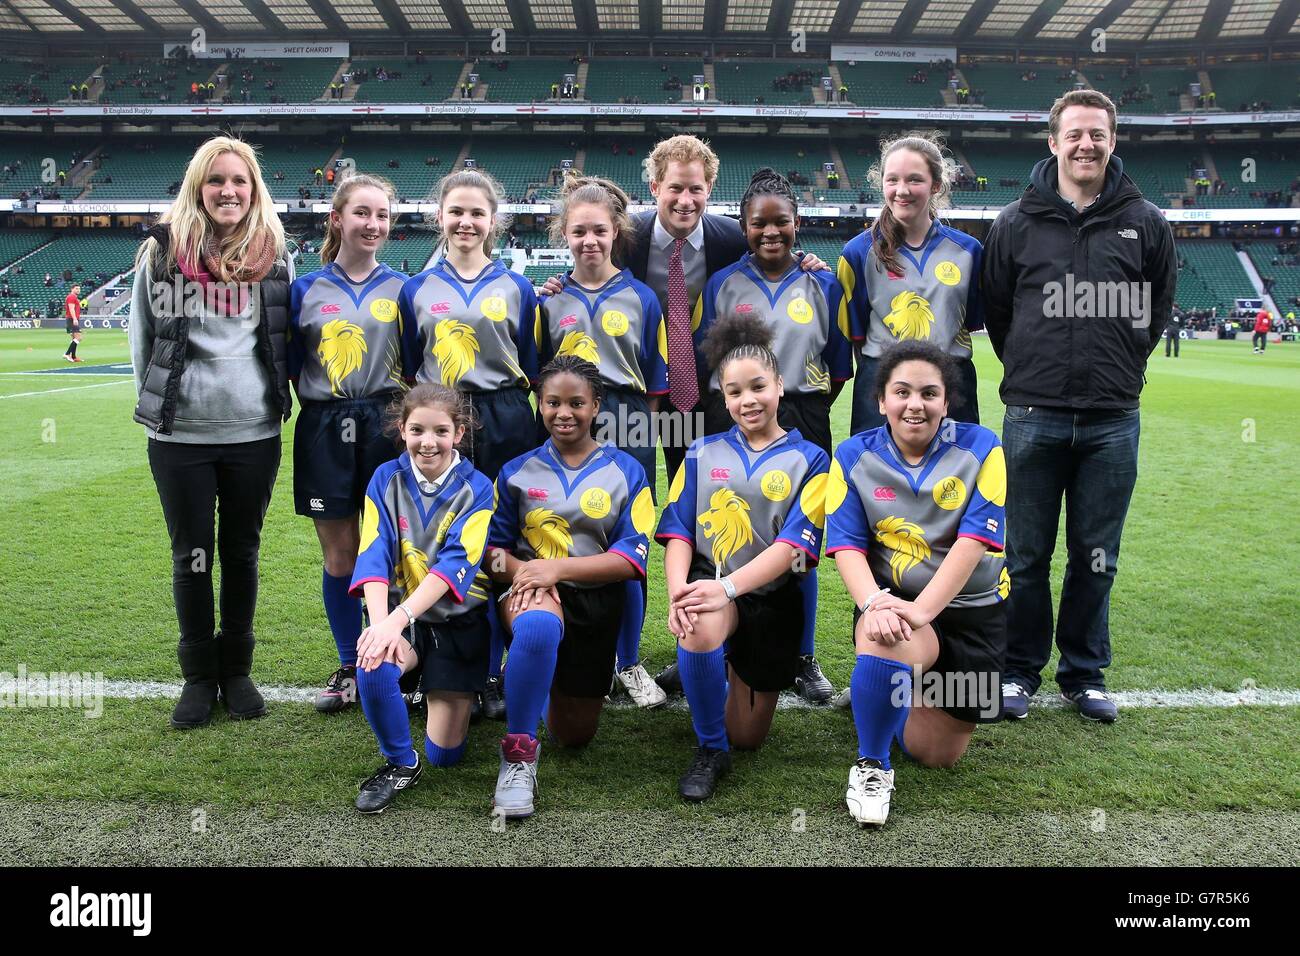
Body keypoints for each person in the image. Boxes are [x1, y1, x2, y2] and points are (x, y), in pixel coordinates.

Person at [982, 90, 1175, 723]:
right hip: (1033, 415)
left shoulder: (1145, 222)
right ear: (1054, 142)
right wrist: (1035, 372)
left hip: (1112, 419)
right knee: (1026, 554)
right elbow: (1000, 315)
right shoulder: (1014, 222)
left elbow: (1154, 312)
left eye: (1098, 134)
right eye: (1075, 134)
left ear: (1113, 141)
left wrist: (1120, 370)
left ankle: (1084, 674)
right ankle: (1018, 671)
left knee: (1098, 555)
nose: (1086, 144)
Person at [129, 135, 295, 730]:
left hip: (253, 430)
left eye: (240, 181)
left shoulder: (275, 253)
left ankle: (238, 669)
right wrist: (159, 409)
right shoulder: (165, 253)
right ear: (199, 187)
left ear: (254, 189)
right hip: (181, 436)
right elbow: (142, 339)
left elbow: (279, 339)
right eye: (217, 180)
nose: (229, 191)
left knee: (242, 552)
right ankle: (199, 676)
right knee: (192, 556)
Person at [826, 341, 1009, 825]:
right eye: (901, 392)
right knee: (885, 633)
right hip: (898, 603)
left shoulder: (983, 447)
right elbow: (845, 543)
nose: (915, 404)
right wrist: (874, 604)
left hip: (973, 611)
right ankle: (872, 764)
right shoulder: (851, 456)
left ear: (947, 402)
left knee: (935, 755)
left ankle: (893, 690)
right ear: (880, 399)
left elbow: (974, 542)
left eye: (929, 393)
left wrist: (923, 610)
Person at [655, 316, 829, 801]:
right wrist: (678, 594)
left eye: (758, 387)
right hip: (714, 587)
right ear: (723, 396)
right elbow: (678, 534)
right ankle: (710, 748)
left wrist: (729, 587)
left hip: (771, 597)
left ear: (779, 385)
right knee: (697, 620)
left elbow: (794, 548)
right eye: (734, 392)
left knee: (749, 738)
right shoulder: (700, 451)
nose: (747, 400)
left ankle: (730, 668)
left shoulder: (812, 459)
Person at [694, 167, 850, 705]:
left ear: (796, 223)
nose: (770, 232)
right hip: (731, 416)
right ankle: (720, 643)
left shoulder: (823, 281)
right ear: (744, 226)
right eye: (758, 223)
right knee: (730, 530)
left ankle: (801, 656)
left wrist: (800, 406)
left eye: (780, 222)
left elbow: (840, 362)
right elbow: (703, 356)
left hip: (803, 415)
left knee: (800, 543)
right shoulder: (722, 284)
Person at [484, 356, 655, 818]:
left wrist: (556, 570)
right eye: (552, 402)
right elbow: (491, 554)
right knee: (538, 627)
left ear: (596, 405)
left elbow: (631, 559)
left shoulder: (627, 471)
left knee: (574, 736)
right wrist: (527, 570)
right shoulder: (516, 471)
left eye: (576, 403)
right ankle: (518, 756)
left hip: (594, 599)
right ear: (539, 405)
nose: (564, 413)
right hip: (531, 590)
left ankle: (537, 677)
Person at [399, 169, 542, 720]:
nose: (466, 222)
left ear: (493, 222)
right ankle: (449, 664)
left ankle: (500, 669)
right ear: (440, 217)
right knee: (442, 538)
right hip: (444, 419)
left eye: (477, 213)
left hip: (506, 415)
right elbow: (413, 364)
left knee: (505, 540)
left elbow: (529, 359)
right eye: (456, 211)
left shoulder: (518, 287)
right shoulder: (417, 289)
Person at [536, 174, 668, 709]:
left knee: (627, 546)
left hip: (627, 419)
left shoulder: (642, 297)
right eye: (578, 232)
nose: (589, 241)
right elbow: (535, 373)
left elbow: (655, 380)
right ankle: (572, 648)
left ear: (616, 232)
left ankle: (629, 661)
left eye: (599, 231)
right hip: (565, 421)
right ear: (562, 235)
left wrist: (641, 436)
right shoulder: (546, 299)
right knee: (566, 536)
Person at [288, 173, 408, 715]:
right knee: (340, 552)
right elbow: (290, 365)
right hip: (325, 424)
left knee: (390, 546)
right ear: (337, 219)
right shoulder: (304, 289)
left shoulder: (404, 288)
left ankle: (395, 651)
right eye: (362, 213)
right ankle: (347, 662)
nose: (373, 224)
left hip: (385, 422)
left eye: (382, 215)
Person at [348, 384, 496, 814]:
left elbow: (455, 566)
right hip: (401, 618)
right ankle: (399, 762)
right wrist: (381, 627)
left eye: (440, 431)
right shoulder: (384, 478)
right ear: (402, 429)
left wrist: (396, 619)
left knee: (446, 755)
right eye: (417, 430)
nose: (427, 442)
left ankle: (449, 690)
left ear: (459, 433)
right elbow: (372, 552)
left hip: (456, 621)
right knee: (372, 665)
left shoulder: (479, 487)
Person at [838, 133, 984, 437]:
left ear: (936, 185)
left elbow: (970, 320)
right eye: (892, 180)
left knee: (953, 481)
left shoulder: (969, 251)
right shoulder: (857, 252)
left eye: (914, 180)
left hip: (953, 384)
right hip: (882, 384)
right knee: (878, 482)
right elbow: (857, 334)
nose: (901, 190)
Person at [63, 283, 83, 362]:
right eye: (76, 289)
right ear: (72, 289)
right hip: (71, 319)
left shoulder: (74, 297)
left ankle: (73, 356)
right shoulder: (71, 297)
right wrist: (74, 319)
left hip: (72, 318)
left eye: (79, 289)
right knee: (79, 337)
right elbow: (71, 309)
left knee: (74, 338)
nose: (78, 290)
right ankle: (67, 353)